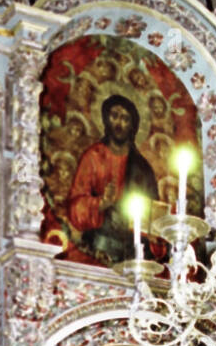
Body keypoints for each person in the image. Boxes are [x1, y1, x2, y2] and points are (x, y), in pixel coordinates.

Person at [65, 94, 159, 266]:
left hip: (134, 254)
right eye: (114, 115)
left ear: (132, 126)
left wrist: (154, 233)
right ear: (105, 118)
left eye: (125, 118)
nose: (119, 123)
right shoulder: (93, 157)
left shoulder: (142, 168)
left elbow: (154, 216)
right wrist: (102, 203)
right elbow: (75, 208)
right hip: (99, 247)